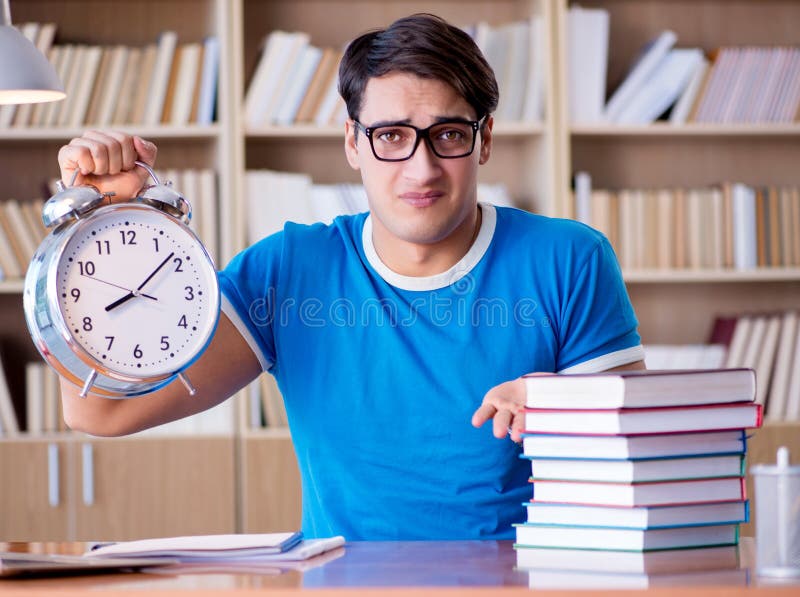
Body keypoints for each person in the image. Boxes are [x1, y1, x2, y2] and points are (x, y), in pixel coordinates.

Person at [56, 14, 645, 540]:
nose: (422, 167)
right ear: (352, 143)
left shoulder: (569, 259)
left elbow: (651, 459)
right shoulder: (288, 272)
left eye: (448, 135)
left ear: (483, 140)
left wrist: (564, 404)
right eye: (390, 136)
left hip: (526, 583)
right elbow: (98, 412)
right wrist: (98, 227)